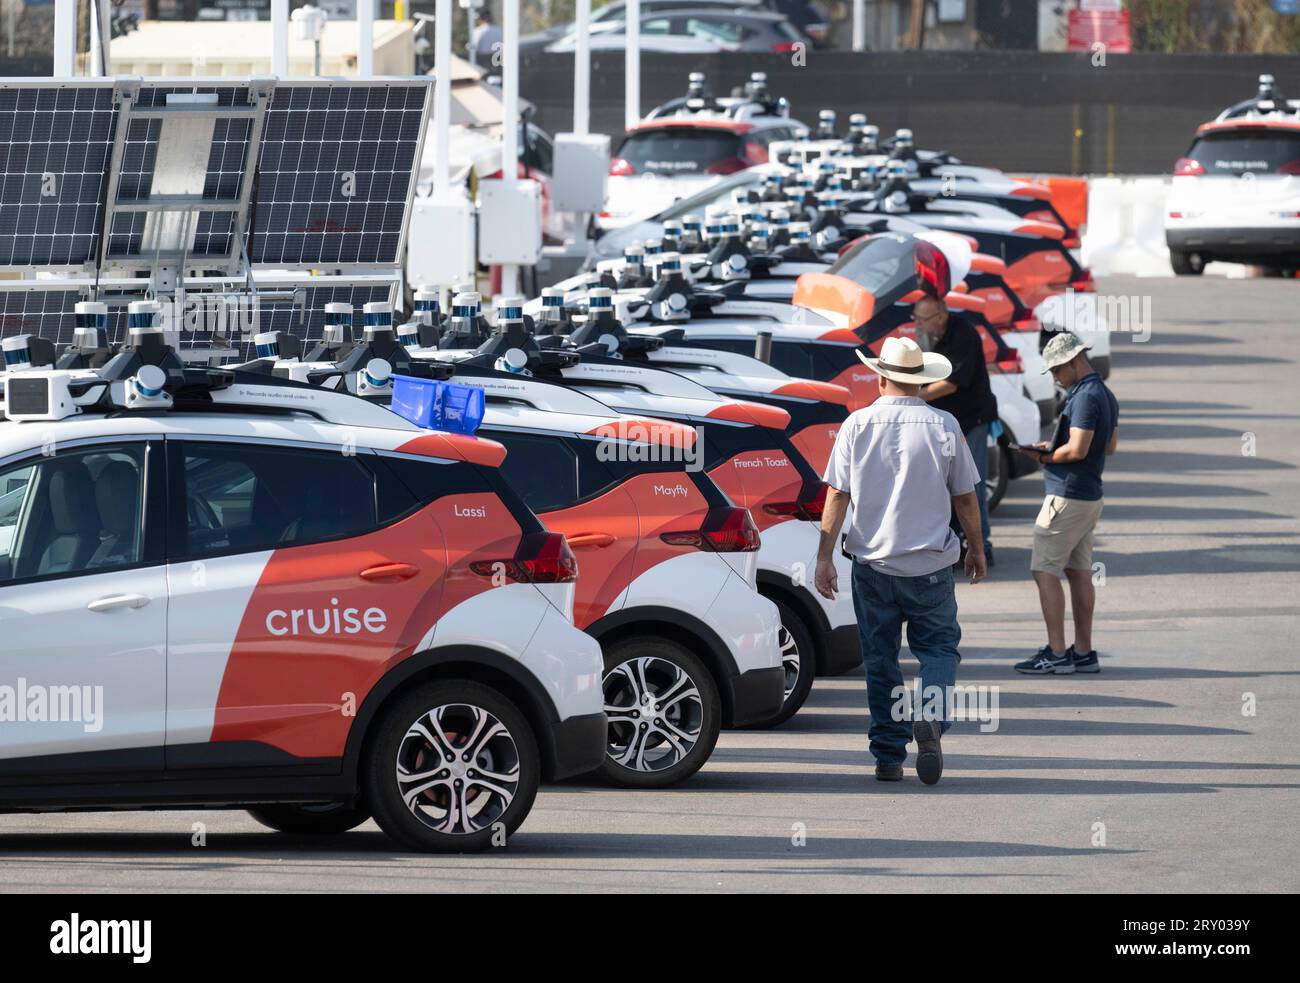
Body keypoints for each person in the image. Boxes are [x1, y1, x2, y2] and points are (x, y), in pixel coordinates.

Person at [815, 335, 987, 786]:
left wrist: (823, 557)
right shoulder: (945, 425)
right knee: (938, 651)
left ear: (879, 377)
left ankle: (888, 756)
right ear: (921, 380)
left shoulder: (855, 425)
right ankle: (930, 717)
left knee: (881, 661)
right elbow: (966, 497)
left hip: (873, 567)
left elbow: (837, 494)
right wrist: (977, 548)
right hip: (930, 568)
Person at [1012, 331, 1119, 675]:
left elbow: (1078, 450)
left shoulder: (1085, 396)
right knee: (1079, 572)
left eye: (1058, 370)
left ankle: (1057, 653)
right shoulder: (1104, 392)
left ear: (1073, 361)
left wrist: (1044, 457)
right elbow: (1109, 446)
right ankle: (1084, 651)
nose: (1056, 377)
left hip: (1068, 495)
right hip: (1088, 494)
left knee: (1043, 570)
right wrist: (1056, 445)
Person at [914, 293, 1000, 567]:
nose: (918, 324)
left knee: (970, 484)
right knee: (945, 484)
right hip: (947, 422)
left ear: (940, 316)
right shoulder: (930, 337)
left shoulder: (963, 334)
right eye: (915, 318)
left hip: (971, 420)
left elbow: (951, 383)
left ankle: (982, 546)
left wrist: (916, 397)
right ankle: (954, 542)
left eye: (922, 320)